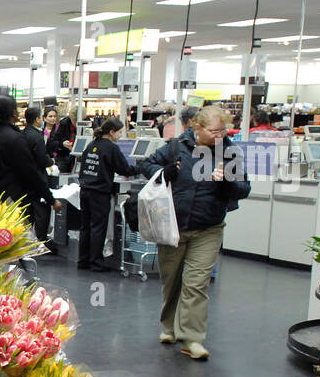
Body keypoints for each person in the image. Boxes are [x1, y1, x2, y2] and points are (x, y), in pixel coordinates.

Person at [137, 105, 249, 361]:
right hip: (173, 227)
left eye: (223, 131)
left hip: (208, 229)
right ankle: (168, 326)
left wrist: (228, 181)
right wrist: (164, 172)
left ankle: (192, 339)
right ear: (197, 128)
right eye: (214, 131)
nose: (220, 136)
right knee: (172, 280)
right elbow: (146, 165)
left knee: (196, 285)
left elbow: (244, 188)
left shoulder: (230, 153)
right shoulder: (177, 147)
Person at [0, 97, 61, 230]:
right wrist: (51, 199)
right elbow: (30, 172)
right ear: (14, 113)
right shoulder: (15, 139)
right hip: (12, 203)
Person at [76, 117, 141, 272]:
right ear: (111, 132)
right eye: (119, 133)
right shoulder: (111, 148)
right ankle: (96, 263)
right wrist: (142, 168)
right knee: (98, 227)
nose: (120, 136)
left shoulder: (92, 144)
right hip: (99, 193)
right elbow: (124, 169)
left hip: (85, 190)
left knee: (85, 227)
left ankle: (83, 260)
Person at [20, 105, 59, 252]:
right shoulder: (37, 136)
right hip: (37, 180)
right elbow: (42, 159)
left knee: (26, 214)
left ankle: (24, 243)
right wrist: (50, 162)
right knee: (42, 214)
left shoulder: (22, 134)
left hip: (23, 181)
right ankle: (40, 243)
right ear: (37, 119)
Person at [47, 105, 80, 174]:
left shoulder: (88, 124)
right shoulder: (64, 124)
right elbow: (54, 142)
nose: (76, 123)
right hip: (64, 158)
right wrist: (62, 144)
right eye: (74, 121)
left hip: (79, 158)